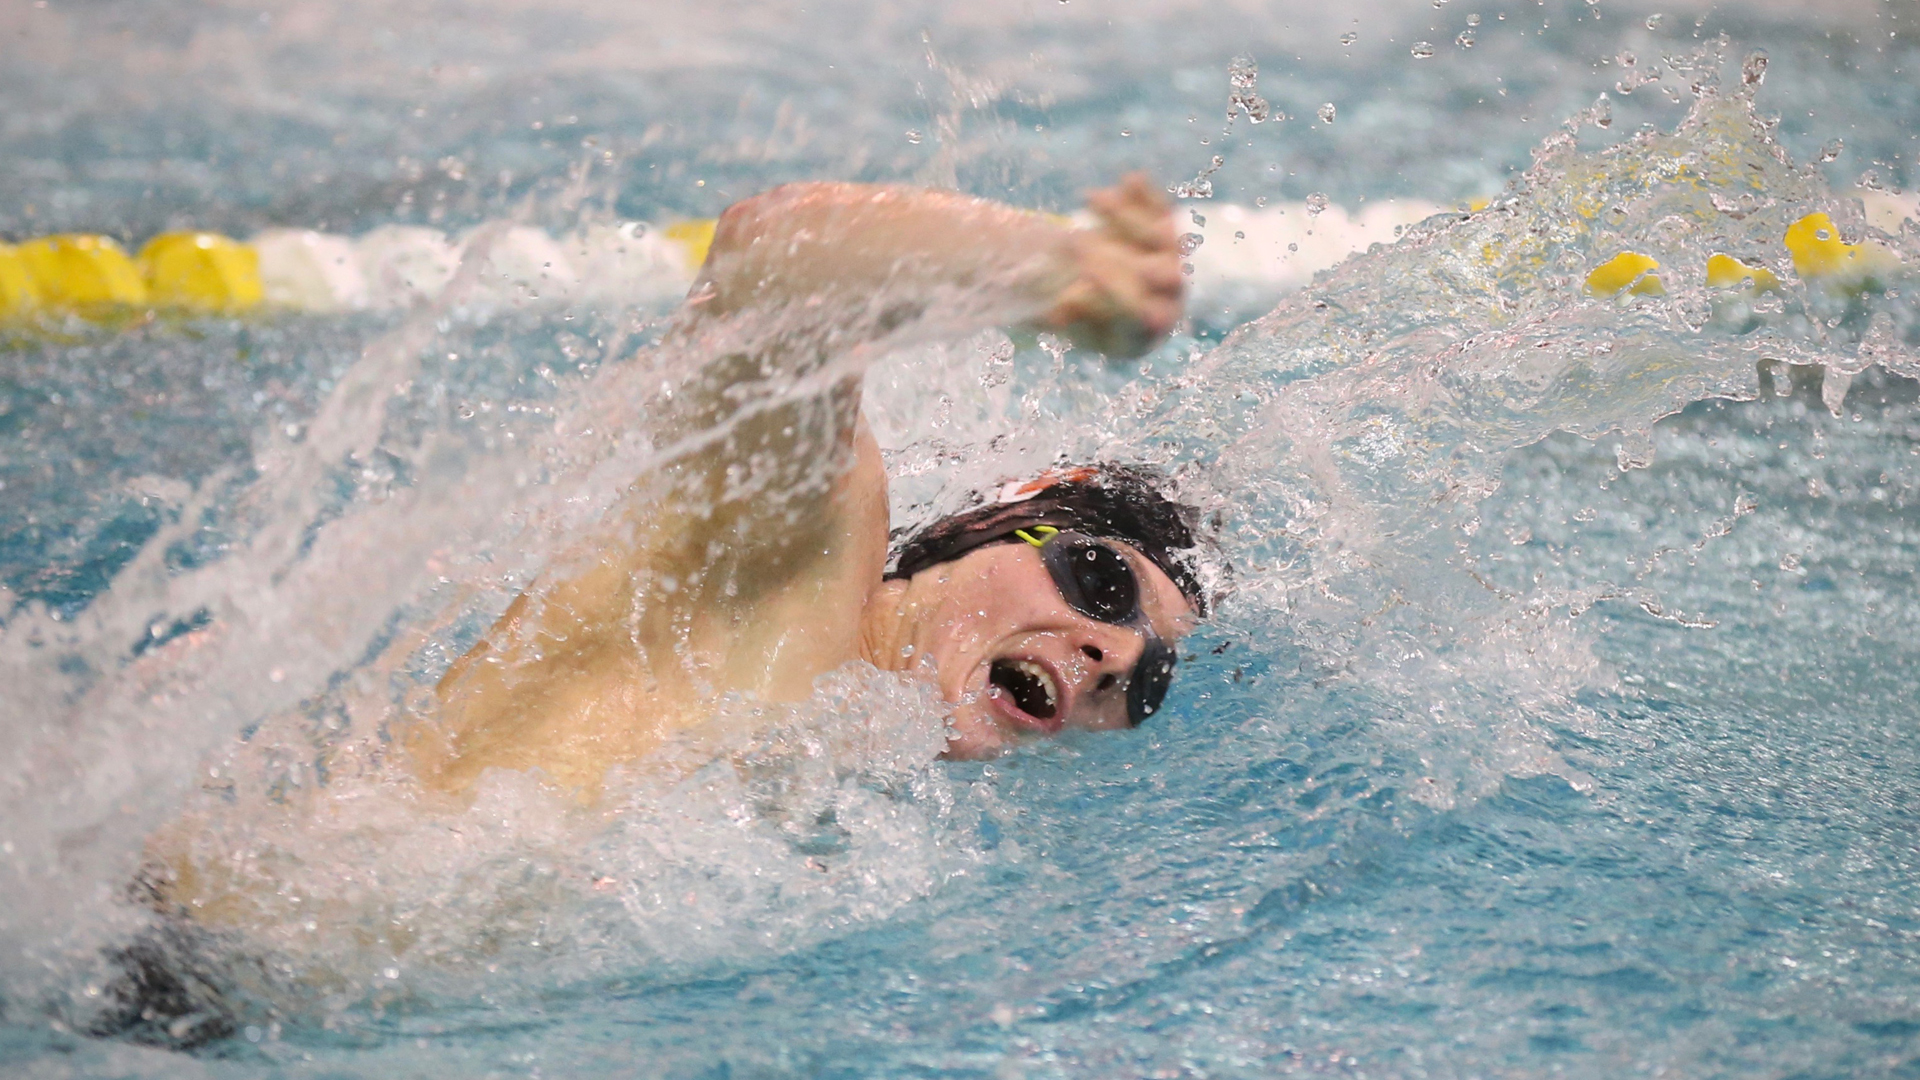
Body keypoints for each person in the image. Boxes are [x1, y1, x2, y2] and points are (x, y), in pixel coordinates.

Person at [400, 173, 1208, 799]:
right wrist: (1050, 270)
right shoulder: (797, 561)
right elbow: (771, 250)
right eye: (1101, 582)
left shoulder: (841, 771)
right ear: (993, 526)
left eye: (1149, 682)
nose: (1120, 652)